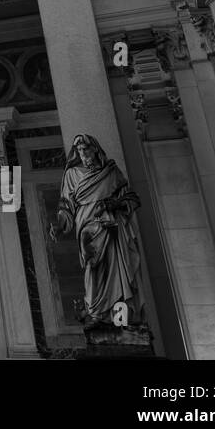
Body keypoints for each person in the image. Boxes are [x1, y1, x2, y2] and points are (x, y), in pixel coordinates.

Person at [49, 133, 143, 330]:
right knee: (93, 266)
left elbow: (132, 198)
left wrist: (116, 203)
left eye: (86, 149)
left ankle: (120, 319)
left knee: (117, 269)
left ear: (95, 149)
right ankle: (96, 311)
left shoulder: (111, 171)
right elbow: (66, 205)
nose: (83, 153)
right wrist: (60, 226)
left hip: (111, 224)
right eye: (79, 150)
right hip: (87, 225)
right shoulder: (72, 174)